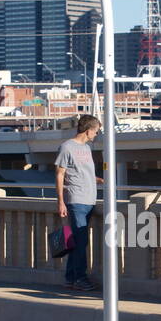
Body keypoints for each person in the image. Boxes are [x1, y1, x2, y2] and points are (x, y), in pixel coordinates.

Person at [55, 114, 102, 291]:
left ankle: (70, 277)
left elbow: (80, 170)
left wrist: (93, 178)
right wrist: (61, 202)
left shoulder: (87, 149)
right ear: (88, 130)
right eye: (96, 131)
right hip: (76, 200)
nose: (96, 134)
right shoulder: (66, 147)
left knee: (77, 241)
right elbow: (60, 174)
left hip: (89, 199)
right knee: (81, 242)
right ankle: (80, 278)